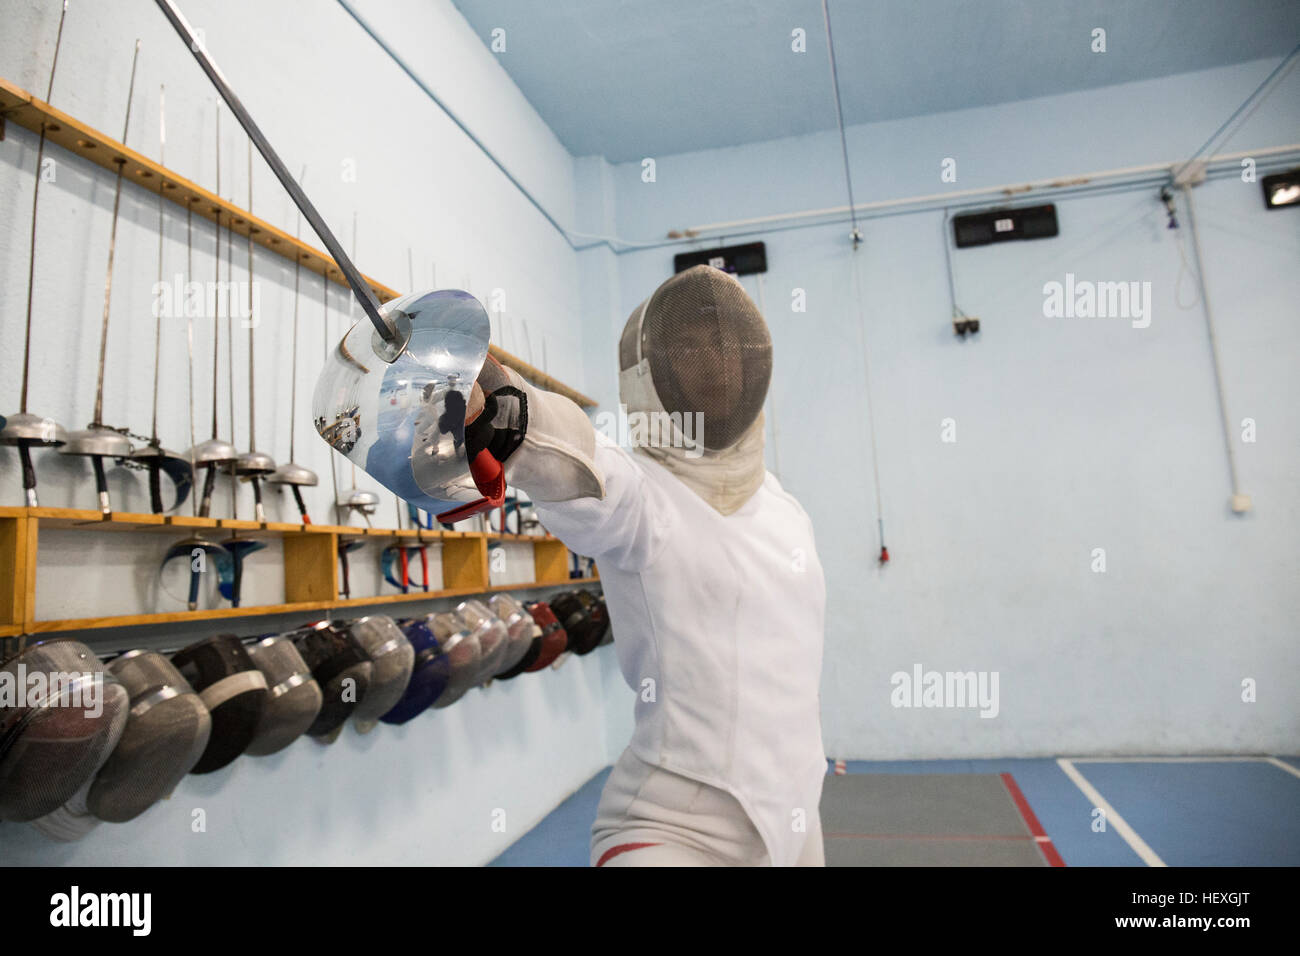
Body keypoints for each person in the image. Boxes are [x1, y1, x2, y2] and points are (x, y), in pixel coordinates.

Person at [467, 265, 827, 866]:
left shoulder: (787, 511)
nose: (716, 362)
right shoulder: (644, 499)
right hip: (673, 834)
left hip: (794, 817)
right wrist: (500, 410)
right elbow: (579, 463)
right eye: (688, 346)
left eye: (725, 344)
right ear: (651, 374)